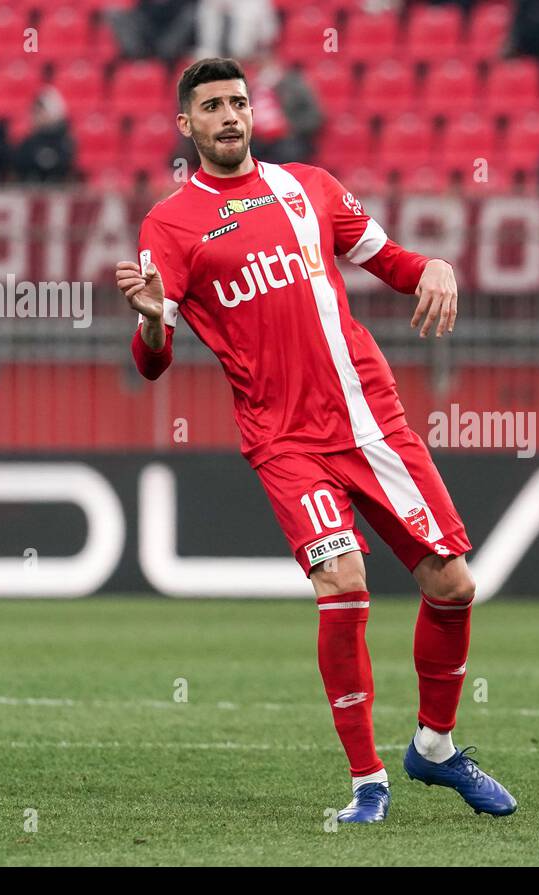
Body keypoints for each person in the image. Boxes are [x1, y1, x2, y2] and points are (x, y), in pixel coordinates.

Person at [115, 58, 517, 825]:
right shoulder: (169, 224)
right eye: (212, 107)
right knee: (343, 583)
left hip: (371, 418)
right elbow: (152, 361)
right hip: (283, 438)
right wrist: (151, 318)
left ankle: (434, 748)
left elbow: (389, 263)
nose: (229, 116)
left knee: (453, 587)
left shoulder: (310, 187)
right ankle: (368, 782)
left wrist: (432, 264)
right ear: (186, 126)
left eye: (238, 102)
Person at [246, 46, 323, 165]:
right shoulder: (248, 87)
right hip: (256, 139)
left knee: (287, 152)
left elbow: (314, 116)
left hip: (287, 138)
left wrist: (292, 127)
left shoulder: (294, 84)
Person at [10, 88, 76, 183]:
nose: (37, 116)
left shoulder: (64, 139)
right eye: (35, 112)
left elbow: (64, 165)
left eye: (41, 111)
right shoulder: (29, 140)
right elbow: (19, 163)